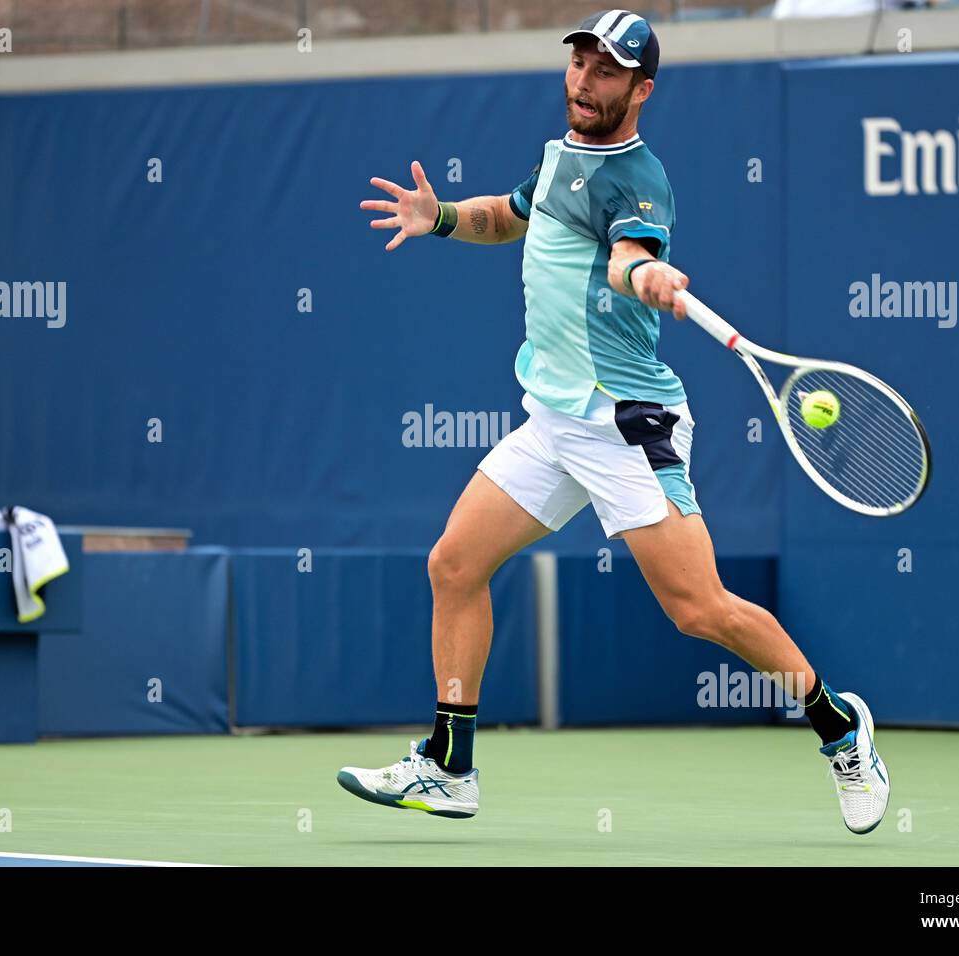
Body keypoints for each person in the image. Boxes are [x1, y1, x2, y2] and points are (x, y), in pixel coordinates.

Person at [341, 9, 889, 834]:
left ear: (642, 89)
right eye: (580, 64)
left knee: (699, 610)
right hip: (554, 416)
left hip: (625, 421)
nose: (584, 82)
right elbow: (517, 214)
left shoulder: (639, 179)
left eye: (606, 72)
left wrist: (647, 276)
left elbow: (632, 254)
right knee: (454, 565)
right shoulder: (562, 154)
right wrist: (444, 216)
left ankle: (840, 727)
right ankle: (449, 767)